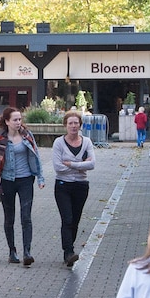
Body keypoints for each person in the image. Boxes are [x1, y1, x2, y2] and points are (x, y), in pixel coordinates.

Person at [0, 106, 45, 266]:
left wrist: (40, 177)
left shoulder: (27, 136)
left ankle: (27, 252)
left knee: (26, 217)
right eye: (15, 120)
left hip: (26, 180)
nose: (18, 122)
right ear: (7, 121)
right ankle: (12, 251)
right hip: (7, 181)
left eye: (20, 119)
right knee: (9, 218)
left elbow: (36, 156)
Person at [52, 110, 96, 267]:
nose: (73, 126)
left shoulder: (87, 142)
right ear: (65, 125)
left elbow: (92, 164)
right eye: (70, 123)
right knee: (67, 218)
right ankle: (68, 251)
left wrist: (71, 164)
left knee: (75, 220)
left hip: (81, 186)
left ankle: (69, 249)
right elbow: (58, 167)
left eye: (76, 123)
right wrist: (81, 165)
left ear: (80, 125)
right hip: (63, 185)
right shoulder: (58, 143)